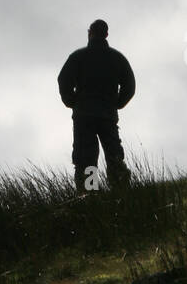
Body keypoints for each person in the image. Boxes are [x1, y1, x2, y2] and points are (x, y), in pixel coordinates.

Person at [57, 19, 135, 194]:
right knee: (114, 156)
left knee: (86, 159)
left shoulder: (77, 57)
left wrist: (72, 101)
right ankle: (121, 192)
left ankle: (90, 194)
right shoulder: (117, 58)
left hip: (84, 116)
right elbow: (130, 86)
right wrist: (117, 104)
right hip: (107, 116)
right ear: (106, 34)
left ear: (89, 32)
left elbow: (63, 80)